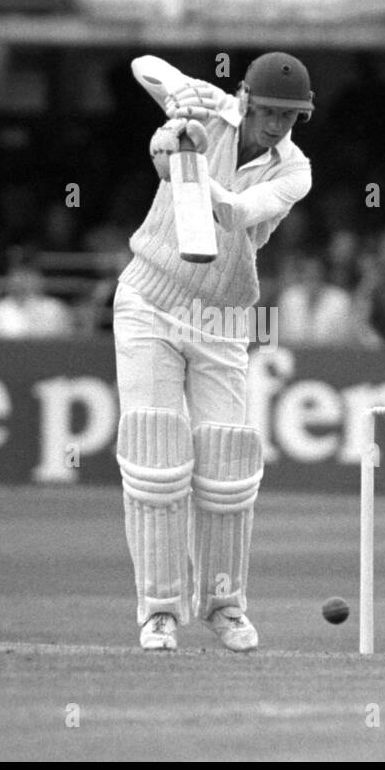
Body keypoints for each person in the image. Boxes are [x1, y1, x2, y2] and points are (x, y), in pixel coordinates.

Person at [112, 51, 313, 651]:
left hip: (223, 316)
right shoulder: (213, 111)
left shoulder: (296, 171)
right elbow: (144, 64)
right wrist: (178, 116)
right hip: (150, 297)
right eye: (269, 112)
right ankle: (159, 612)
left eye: (291, 117)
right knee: (155, 456)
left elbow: (243, 212)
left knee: (227, 466)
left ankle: (224, 605)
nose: (277, 126)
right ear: (247, 100)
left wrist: (195, 173)